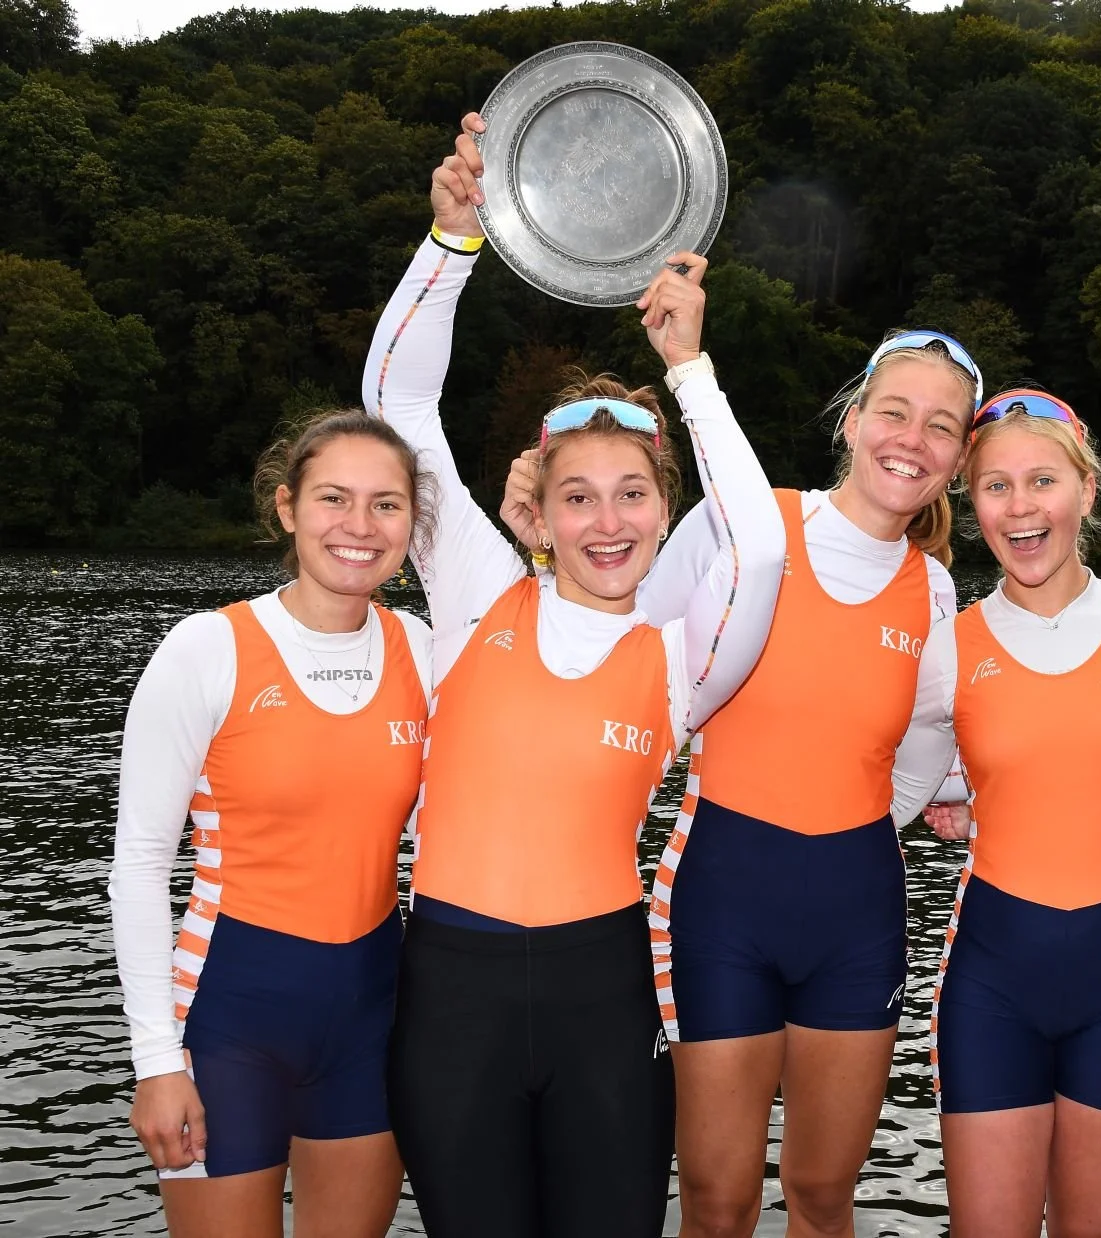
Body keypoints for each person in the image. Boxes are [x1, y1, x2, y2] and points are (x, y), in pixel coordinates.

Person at [367, 115, 785, 1237]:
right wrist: (450, 246)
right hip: (453, 990)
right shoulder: (473, 595)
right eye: (580, 494)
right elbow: (399, 410)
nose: (610, 519)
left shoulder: (678, 653)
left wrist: (688, 369)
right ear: (539, 513)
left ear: (665, 507)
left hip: (607, 995)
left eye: (634, 492)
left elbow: (762, 543)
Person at [503, 330, 975, 1236]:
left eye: (941, 426)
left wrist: (895, 804)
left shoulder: (936, 593)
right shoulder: (740, 525)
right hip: (720, 906)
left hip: (857, 917)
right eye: (894, 411)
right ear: (853, 419)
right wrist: (534, 554)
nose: (912, 438)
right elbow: (618, 645)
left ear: (956, 459)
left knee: (823, 1197)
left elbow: (917, 754)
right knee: (718, 1205)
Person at [110, 410, 436, 1238]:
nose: (359, 527)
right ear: (288, 508)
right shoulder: (206, 649)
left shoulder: (424, 652)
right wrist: (156, 1061)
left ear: (412, 524)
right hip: (228, 1019)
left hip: (372, 1016)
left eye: (386, 505)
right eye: (334, 498)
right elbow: (143, 863)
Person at [913, 390, 1101, 1237]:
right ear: (972, 506)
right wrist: (951, 791)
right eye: (995, 486)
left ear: (1087, 489)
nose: (1020, 505)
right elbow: (891, 784)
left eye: (1043, 479)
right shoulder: (949, 644)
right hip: (993, 984)